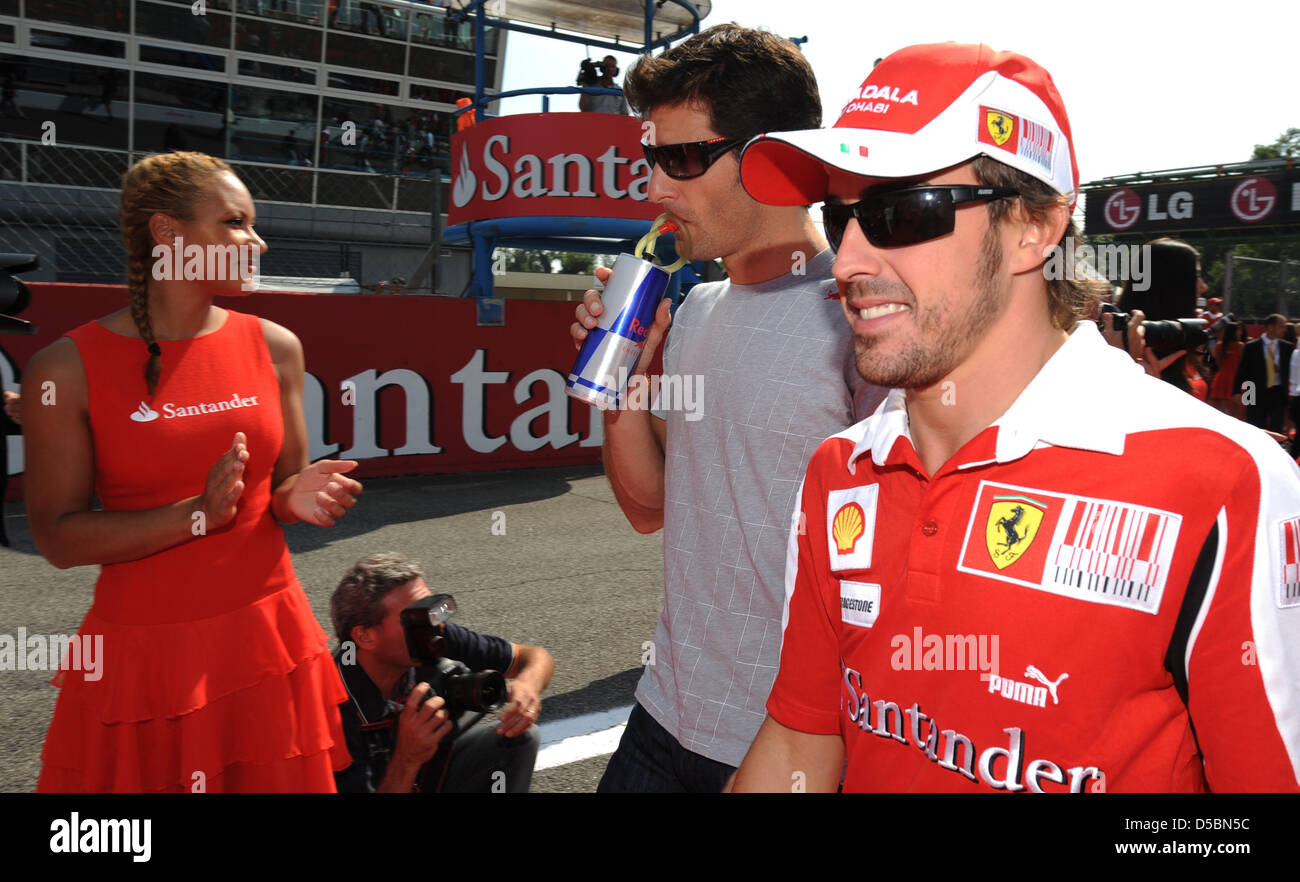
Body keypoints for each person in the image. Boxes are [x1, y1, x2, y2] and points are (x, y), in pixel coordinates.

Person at [729, 41, 1300, 792]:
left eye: (899, 211)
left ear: (1034, 227)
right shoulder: (839, 470)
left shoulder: (1223, 480)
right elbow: (803, 741)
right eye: (840, 217)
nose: (846, 261)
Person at [569, 23, 886, 792]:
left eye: (681, 158)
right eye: (651, 158)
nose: (653, 188)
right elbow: (650, 508)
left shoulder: (866, 323)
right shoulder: (699, 308)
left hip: (792, 746)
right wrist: (626, 386)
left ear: (772, 156)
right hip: (662, 713)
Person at [23, 151, 364, 792]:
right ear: (167, 233)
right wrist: (195, 516)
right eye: (236, 223)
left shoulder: (276, 345)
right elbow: (58, 537)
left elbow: (280, 491)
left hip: (267, 641)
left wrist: (303, 495)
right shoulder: (63, 369)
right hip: (144, 661)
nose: (256, 242)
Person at [330, 553, 553, 793]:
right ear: (365, 636)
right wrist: (407, 759)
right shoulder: (328, 705)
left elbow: (535, 657)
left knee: (519, 738)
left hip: (420, 777)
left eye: (432, 609)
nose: (437, 625)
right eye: (416, 617)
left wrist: (528, 686)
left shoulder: (432, 637)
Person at [1235, 313, 1292, 432]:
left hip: (1278, 392)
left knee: (1277, 426)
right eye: (1281, 326)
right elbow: (1243, 370)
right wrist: (1237, 392)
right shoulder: (1252, 346)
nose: (1284, 330)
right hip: (1254, 391)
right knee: (1254, 425)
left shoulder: (1287, 347)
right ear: (1271, 327)